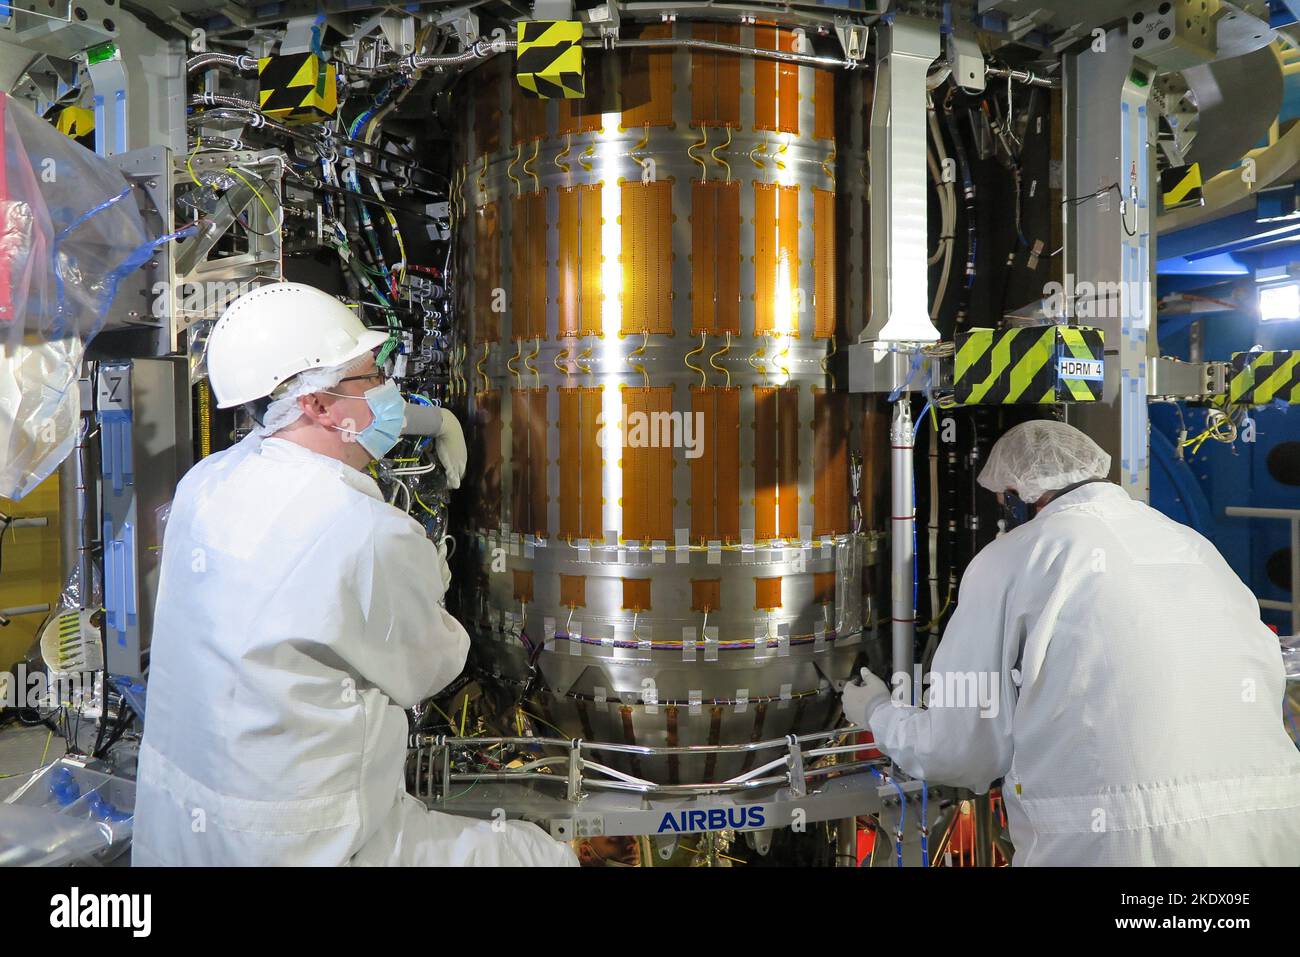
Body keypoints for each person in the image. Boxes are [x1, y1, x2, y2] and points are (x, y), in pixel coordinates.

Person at [133, 282, 576, 866]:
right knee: (541, 857)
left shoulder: (207, 482)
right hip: (312, 844)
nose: (388, 391)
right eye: (371, 378)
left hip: (181, 832)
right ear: (318, 405)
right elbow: (430, 669)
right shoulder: (364, 533)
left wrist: (439, 421)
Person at [843, 419, 1300, 866]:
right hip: (1274, 831)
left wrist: (878, 713)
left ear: (1019, 498)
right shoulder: (1190, 543)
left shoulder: (1013, 558)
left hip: (1121, 845)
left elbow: (960, 748)